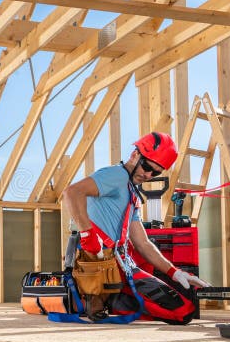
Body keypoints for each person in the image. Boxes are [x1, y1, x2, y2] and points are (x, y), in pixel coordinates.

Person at [61, 132, 210, 324]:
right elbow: (72, 192)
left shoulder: (132, 194)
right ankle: (98, 295)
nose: (148, 175)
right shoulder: (116, 176)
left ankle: (109, 297)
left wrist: (175, 272)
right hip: (98, 262)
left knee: (184, 312)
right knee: (181, 312)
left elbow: (143, 243)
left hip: (122, 265)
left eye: (155, 172)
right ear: (135, 155)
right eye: (147, 167)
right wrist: (87, 234)